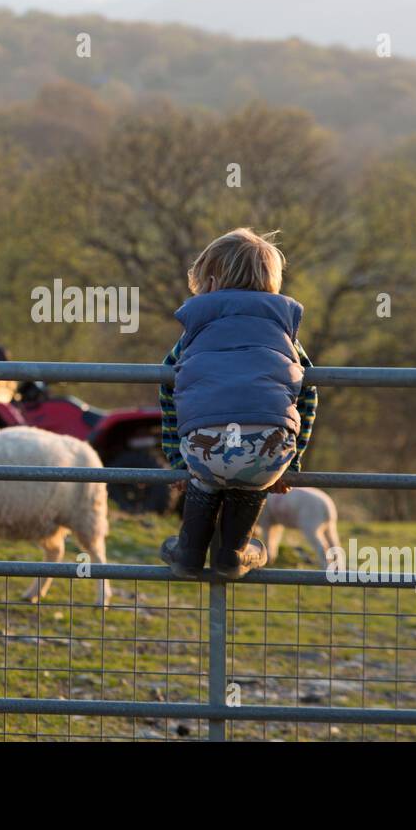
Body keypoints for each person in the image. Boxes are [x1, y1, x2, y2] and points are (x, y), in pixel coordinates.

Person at [157, 228, 319, 579]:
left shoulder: (196, 329)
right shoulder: (282, 330)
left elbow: (167, 382)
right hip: (270, 451)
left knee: (208, 472)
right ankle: (232, 556)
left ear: (210, 282)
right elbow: (308, 391)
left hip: (204, 451)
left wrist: (176, 458)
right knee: (252, 475)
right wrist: (292, 459)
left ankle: (188, 552)